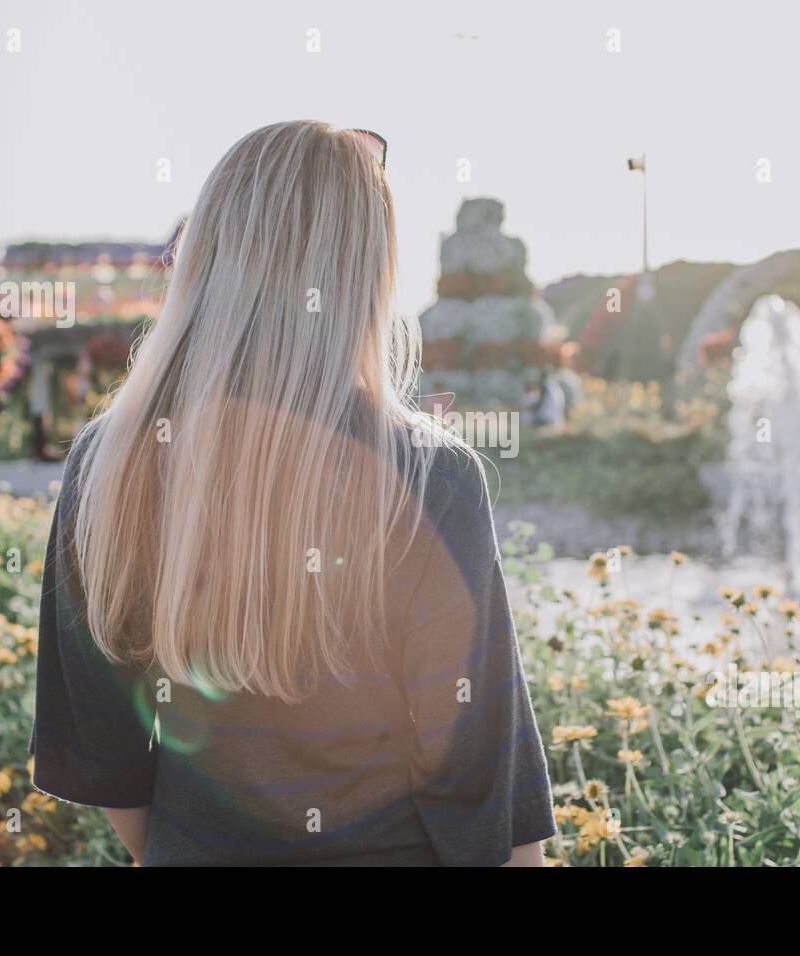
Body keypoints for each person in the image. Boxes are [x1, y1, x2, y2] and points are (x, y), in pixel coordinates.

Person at [30, 122, 556, 867]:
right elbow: (479, 786)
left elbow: (102, 752)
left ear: (207, 253)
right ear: (362, 270)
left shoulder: (106, 466)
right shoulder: (429, 476)